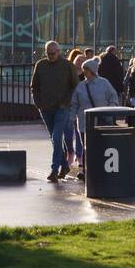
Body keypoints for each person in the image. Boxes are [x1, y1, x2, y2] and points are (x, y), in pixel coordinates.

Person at [31, 41, 78, 182]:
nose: (51, 56)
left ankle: (54, 169)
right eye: (48, 53)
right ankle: (64, 166)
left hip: (62, 108)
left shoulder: (67, 65)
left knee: (57, 137)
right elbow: (34, 86)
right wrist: (38, 103)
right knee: (54, 139)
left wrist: (66, 103)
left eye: (53, 53)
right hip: (46, 108)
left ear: (58, 51)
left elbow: (75, 86)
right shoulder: (41, 65)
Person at [70, 58, 119, 181]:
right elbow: (74, 104)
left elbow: (114, 97)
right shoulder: (80, 86)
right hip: (84, 122)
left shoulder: (104, 83)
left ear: (92, 70)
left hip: (102, 120)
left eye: (86, 70)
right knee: (86, 147)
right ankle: (87, 171)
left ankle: (99, 169)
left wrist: (110, 109)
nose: (84, 72)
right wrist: (71, 118)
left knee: (100, 146)